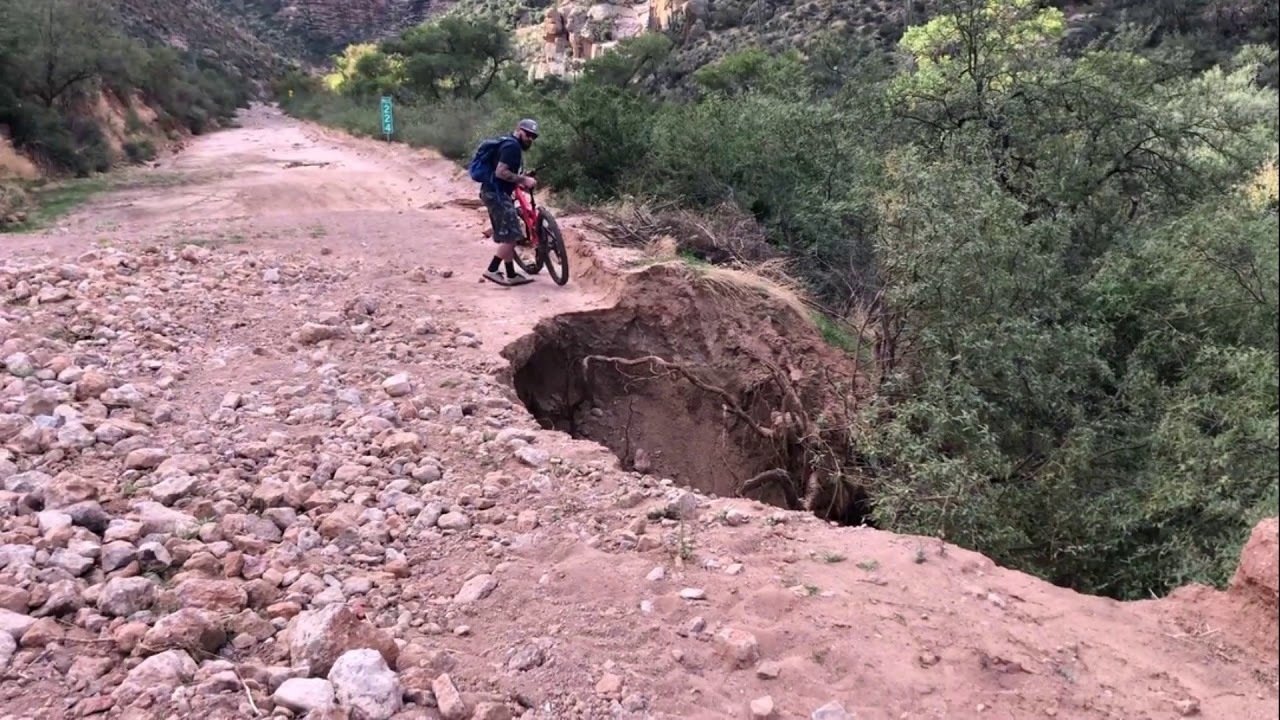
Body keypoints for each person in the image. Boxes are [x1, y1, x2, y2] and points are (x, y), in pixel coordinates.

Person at [479, 119, 539, 285]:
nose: (530, 139)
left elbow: (503, 172)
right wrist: (523, 179)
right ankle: (492, 270)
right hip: (497, 194)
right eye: (527, 134)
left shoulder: (509, 143)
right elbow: (501, 172)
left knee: (508, 234)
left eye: (533, 136)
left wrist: (518, 180)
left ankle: (511, 274)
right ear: (519, 130)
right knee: (512, 236)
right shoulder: (511, 147)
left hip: (493, 192)